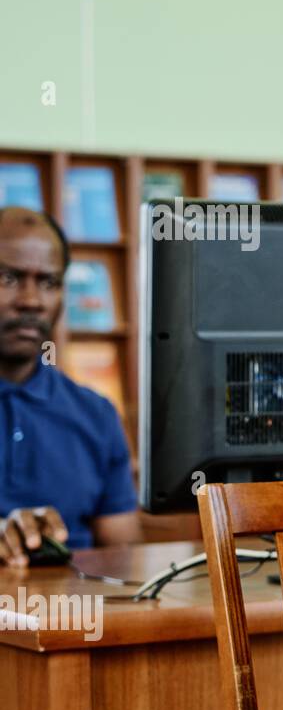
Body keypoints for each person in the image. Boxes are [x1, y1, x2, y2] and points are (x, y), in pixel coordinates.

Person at [0, 207, 141, 566]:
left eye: (49, 282)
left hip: (77, 615)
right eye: (9, 278)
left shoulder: (97, 415)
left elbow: (123, 561)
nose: (31, 301)